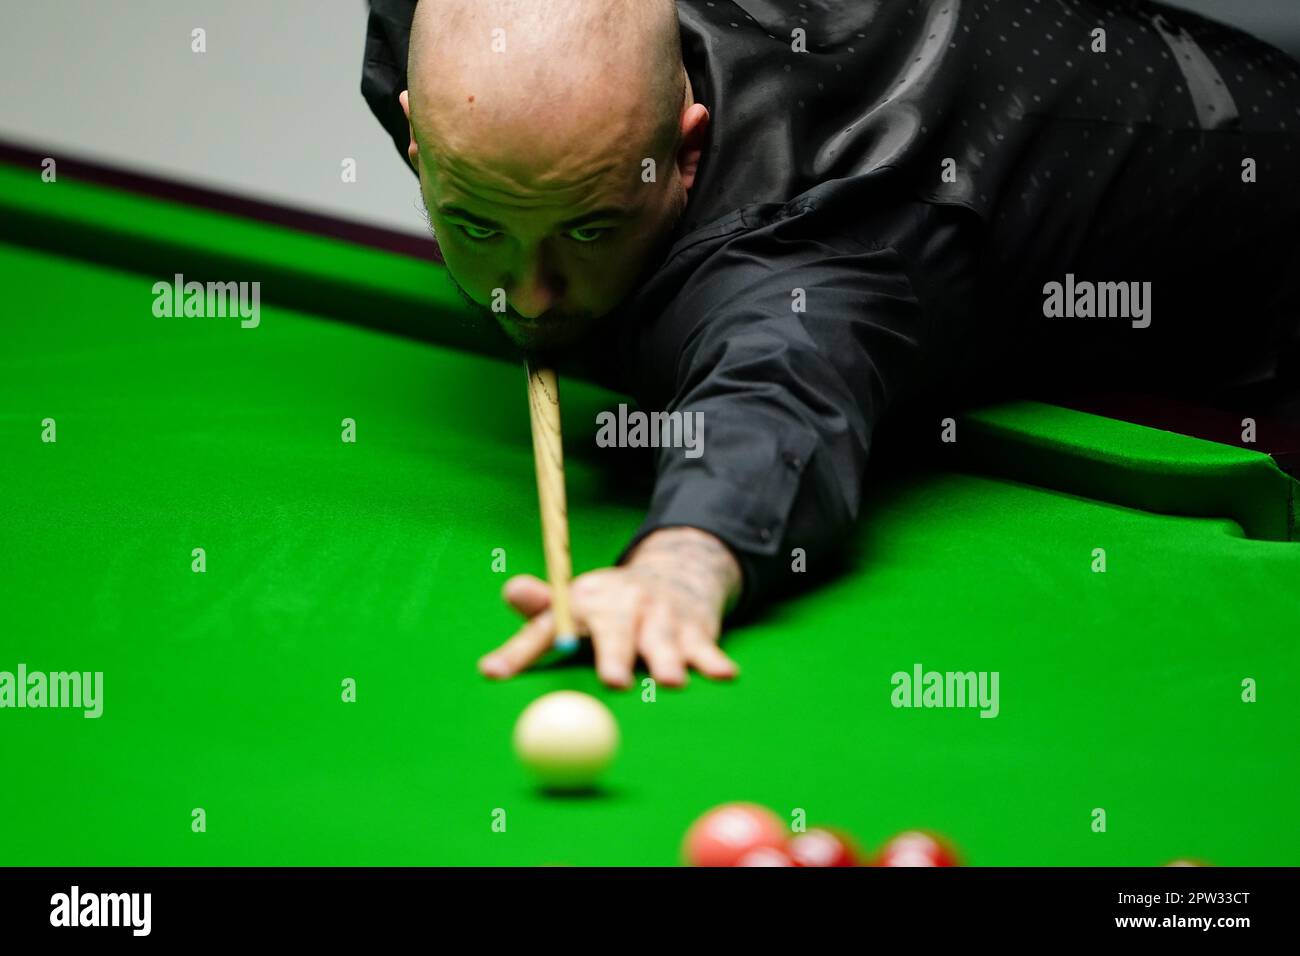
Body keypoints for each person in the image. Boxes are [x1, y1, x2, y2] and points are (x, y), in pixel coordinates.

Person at [362, 0, 1300, 688]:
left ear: (685, 154)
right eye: (479, 227)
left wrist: (683, 562)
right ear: (416, 130)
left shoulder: (793, 239)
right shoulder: (425, 39)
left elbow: (781, 388)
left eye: (593, 228)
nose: (529, 296)